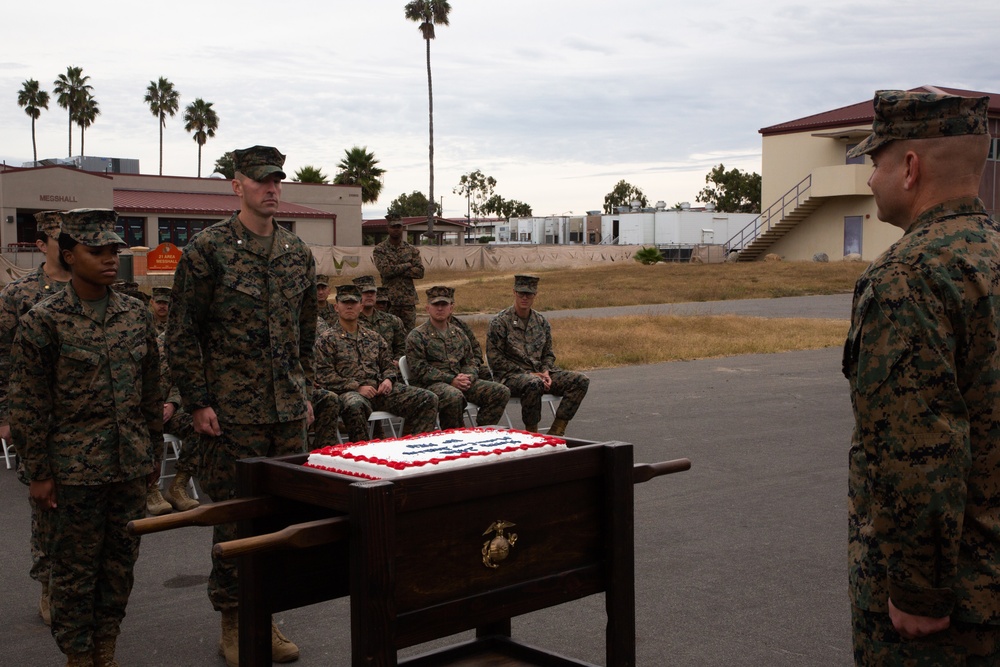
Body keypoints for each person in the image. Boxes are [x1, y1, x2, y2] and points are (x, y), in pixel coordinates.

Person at [843, 90, 1000, 663]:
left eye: (875, 162)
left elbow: (920, 448)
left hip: (947, 611)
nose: (869, 180)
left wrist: (918, 591)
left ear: (909, 168)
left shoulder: (906, 277)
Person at [167, 145, 313, 666]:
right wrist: (198, 401)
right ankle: (234, 619)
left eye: (277, 181)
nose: (272, 189)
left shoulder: (297, 253)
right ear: (237, 186)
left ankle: (267, 615)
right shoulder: (207, 251)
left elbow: (305, 333)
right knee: (234, 519)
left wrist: (304, 392)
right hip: (231, 416)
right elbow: (181, 334)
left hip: (286, 412)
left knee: (282, 518)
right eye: (261, 181)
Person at [11, 208, 161, 667]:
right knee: (74, 576)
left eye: (114, 250)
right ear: (70, 255)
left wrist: (153, 455)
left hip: (128, 467)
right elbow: (28, 406)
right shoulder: (44, 320)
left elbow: (151, 390)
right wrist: (38, 474)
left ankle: (106, 651)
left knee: (118, 570)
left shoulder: (134, 314)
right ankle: (78, 658)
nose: (109, 259)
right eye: (97, 251)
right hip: (72, 473)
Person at [0, 210, 70, 627]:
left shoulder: (93, 287)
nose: (66, 245)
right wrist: (7, 415)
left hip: (89, 418)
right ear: (42, 245)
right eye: (58, 238)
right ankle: (49, 584)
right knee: (47, 505)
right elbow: (4, 357)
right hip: (40, 418)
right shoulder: (19, 294)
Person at [315, 284, 438, 443]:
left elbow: (388, 365)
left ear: (360, 306)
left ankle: (416, 447)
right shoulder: (326, 340)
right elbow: (324, 376)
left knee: (427, 398)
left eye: (354, 302)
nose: (350, 306)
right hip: (351, 393)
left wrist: (388, 380)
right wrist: (356, 386)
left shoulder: (373, 337)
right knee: (354, 405)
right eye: (345, 303)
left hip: (379, 390)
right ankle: (362, 454)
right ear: (336, 307)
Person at [486, 275, 589, 436]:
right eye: (521, 293)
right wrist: (531, 374)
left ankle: (557, 430)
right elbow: (495, 360)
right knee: (533, 383)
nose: (524, 298)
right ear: (514, 292)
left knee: (580, 380)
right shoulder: (500, 322)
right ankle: (532, 434)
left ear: (535, 295)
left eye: (529, 294)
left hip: (540, 374)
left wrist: (546, 371)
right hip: (511, 377)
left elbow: (548, 353)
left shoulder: (540, 322)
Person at [406, 286, 510, 429]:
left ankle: (482, 432)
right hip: (431, 385)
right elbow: (420, 369)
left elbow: (470, 361)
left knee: (500, 391)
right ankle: (455, 437)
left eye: (444, 305)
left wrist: (468, 378)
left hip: (460, 381)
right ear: (427, 308)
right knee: (453, 396)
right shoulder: (417, 336)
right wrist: (451, 380)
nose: (440, 308)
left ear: (451, 308)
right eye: (435, 305)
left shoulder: (459, 333)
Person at [156, 330, 201, 512]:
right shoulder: (150, 343)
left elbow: (178, 380)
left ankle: (178, 485)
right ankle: (150, 491)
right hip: (143, 411)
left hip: (170, 410)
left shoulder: (174, 345)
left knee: (199, 426)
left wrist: (172, 403)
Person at [372, 212, 424, 331]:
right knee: (389, 334)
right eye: (393, 227)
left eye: (398, 227)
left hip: (408, 301)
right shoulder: (380, 249)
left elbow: (420, 272)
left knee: (409, 335)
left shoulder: (411, 249)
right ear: (388, 228)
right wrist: (407, 265)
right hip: (389, 301)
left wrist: (395, 268)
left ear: (402, 228)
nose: (396, 229)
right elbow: (385, 271)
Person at [354, 274, 406, 360]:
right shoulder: (351, 322)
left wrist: (397, 361)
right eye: (365, 292)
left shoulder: (392, 320)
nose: (369, 295)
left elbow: (401, 346)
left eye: (372, 292)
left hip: (389, 368)